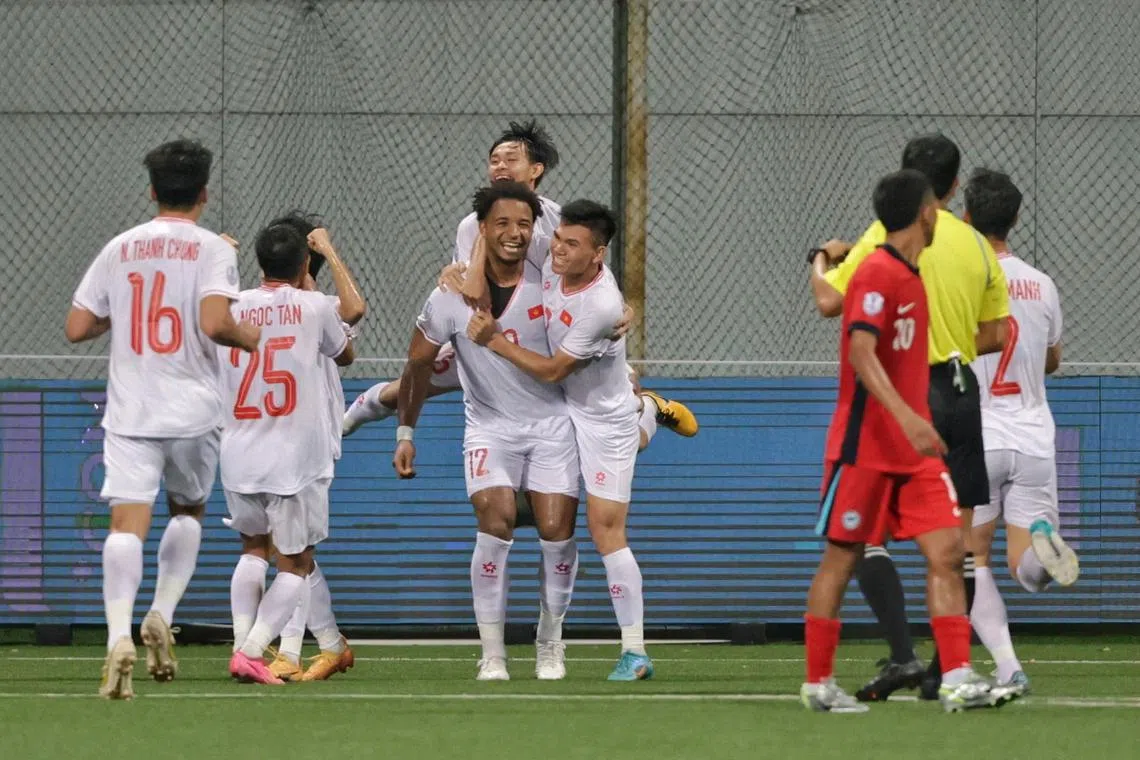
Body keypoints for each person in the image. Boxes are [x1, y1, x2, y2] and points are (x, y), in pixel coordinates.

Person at [801, 169, 1018, 713]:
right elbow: (860, 353)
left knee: (947, 551)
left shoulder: (913, 274)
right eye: (934, 209)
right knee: (841, 558)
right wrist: (909, 417)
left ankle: (959, 677)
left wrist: (917, 424)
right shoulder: (877, 272)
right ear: (926, 214)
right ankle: (819, 684)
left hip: (913, 450)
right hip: (866, 446)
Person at [343, 120, 697, 441]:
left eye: (510, 159)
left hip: (549, 338)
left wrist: (623, 308)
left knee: (618, 418)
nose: (499, 166)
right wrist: (479, 239)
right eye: (494, 160)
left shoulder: (558, 222)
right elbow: (474, 297)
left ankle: (649, 409)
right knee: (406, 387)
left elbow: (592, 279)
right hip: (488, 335)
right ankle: (344, 423)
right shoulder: (472, 226)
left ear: (535, 170)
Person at [66, 139, 259, 699]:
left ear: (152, 191)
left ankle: (116, 638)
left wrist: (120, 316)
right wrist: (250, 337)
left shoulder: (120, 248)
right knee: (188, 511)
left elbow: (77, 327)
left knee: (126, 525)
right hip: (194, 411)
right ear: (204, 192)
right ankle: (162, 612)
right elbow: (217, 322)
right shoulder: (211, 249)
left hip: (131, 411)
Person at [393, 182, 580, 681]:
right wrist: (405, 433)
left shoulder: (555, 285)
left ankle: (549, 644)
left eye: (524, 224)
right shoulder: (449, 295)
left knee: (556, 530)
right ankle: (492, 653)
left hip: (553, 425)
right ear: (481, 231)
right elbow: (416, 365)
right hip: (489, 427)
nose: (514, 233)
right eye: (502, 223)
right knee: (494, 519)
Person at [467, 200, 659, 681]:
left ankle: (634, 652)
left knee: (605, 530)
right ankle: (649, 411)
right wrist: (459, 272)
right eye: (558, 238)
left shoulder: (601, 306)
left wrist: (494, 340)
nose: (556, 249)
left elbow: (553, 369)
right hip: (560, 410)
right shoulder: (551, 258)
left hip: (602, 417)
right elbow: (489, 234)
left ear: (599, 255)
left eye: (571, 244)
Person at [223, 213, 365, 682]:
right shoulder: (315, 306)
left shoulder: (229, 307)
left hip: (239, 450)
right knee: (296, 561)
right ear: (306, 258)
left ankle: (286, 644)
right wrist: (330, 252)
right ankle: (258, 650)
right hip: (295, 455)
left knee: (252, 551)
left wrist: (219, 259)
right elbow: (350, 332)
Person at [965, 168, 1079, 692]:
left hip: (981, 435)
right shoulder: (1045, 283)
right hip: (1035, 436)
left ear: (967, 217)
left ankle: (1009, 667)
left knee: (971, 560)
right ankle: (1044, 543)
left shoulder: (967, 278)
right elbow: (1052, 361)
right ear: (1014, 218)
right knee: (1025, 570)